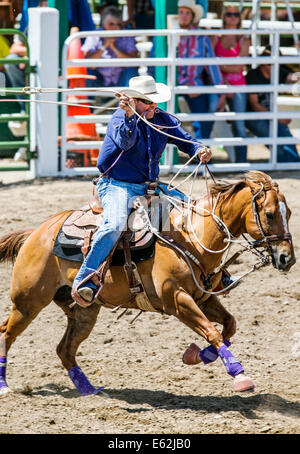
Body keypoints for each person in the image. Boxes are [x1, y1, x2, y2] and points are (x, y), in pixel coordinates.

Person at [71, 75, 212, 305]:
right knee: (115, 225)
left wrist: (199, 149)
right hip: (116, 185)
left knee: (193, 211)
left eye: (155, 101)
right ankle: (85, 279)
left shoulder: (160, 118)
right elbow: (125, 143)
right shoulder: (119, 119)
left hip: (148, 187)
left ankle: (212, 274)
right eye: (148, 102)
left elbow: (185, 140)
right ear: (134, 101)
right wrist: (128, 116)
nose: (153, 105)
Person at [177, 0, 225, 140]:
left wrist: (220, 88)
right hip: (174, 83)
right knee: (166, 115)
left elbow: (210, 63)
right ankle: (192, 145)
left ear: (192, 16)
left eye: (187, 13)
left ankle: (201, 152)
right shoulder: (169, 34)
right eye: (181, 12)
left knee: (204, 114)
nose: (184, 16)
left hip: (195, 83)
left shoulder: (200, 36)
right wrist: (184, 84)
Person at [246, 48, 300, 163]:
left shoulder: (277, 71)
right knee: (275, 141)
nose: (276, 66)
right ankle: (289, 164)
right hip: (254, 117)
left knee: (286, 136)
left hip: (270, 115)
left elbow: (294, 77)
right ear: (264, 63)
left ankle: (293, 163)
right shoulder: (253, 75)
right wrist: (277, 116)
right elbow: (255, 106)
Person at [213, 4, 250, 163]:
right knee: (208, 118)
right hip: (220, 83)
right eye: (229, 14)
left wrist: (220, 66)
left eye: (236, 14)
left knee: (239, 125)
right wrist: (224, 72)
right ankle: (203, 158)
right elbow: (213, 65)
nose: (233, 17)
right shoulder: (216, 37)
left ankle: (241, 162)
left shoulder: (243, 39)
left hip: (238, 85)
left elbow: (239, 66)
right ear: (224, 17)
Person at [81, 5, 138, 89]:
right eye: (111, 24)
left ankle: (126, 102)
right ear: (104, 23)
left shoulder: (127, 34)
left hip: (121, 78)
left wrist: (115, 48)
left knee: (131, 71)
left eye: (119, 24)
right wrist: (104, 46)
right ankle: (87, 102)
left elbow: (132, 62)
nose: (116, 28)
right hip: (99, 78)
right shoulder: (94, 35)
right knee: (87, 72)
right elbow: (89, 64)